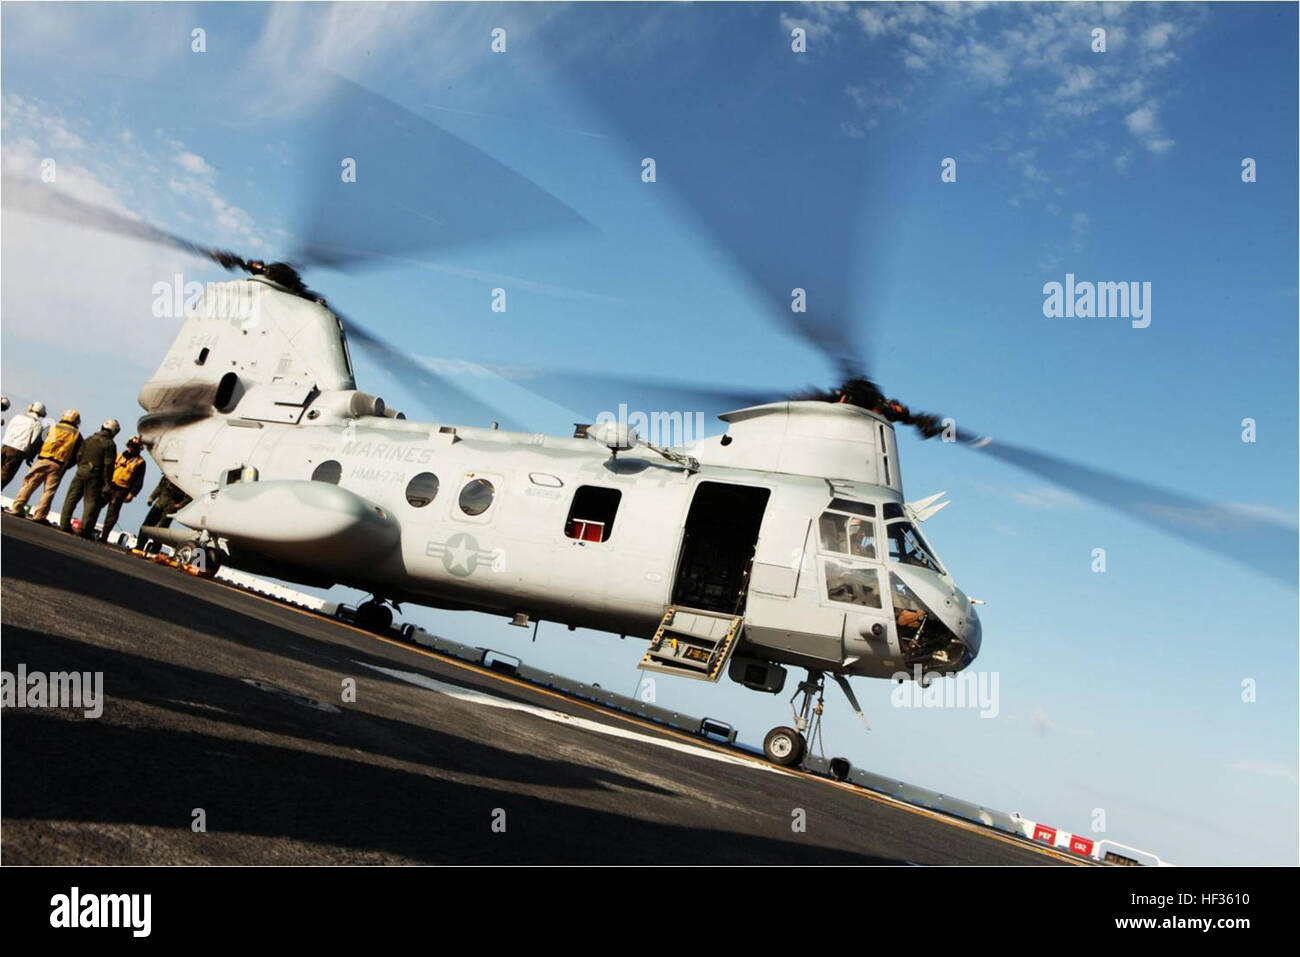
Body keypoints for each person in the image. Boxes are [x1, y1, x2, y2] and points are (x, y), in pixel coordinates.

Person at [9, 409, 82, 521]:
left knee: (29, 484)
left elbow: (38, 442)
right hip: (58, 465)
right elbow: (77, 455)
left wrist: (30, 456)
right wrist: (66, 467)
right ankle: (40, 515)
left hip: (42, 460)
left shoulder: (51, 427)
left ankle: (17, 508)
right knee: (49, 491)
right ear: (76, 420)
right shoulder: (77, 435)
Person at [59, 418, 118, 537]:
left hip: (81, 471)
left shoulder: (90, 439)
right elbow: (108, 465)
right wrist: (107, 482)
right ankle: (84, 530)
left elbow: (79, 456)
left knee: (71, 498)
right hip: (95, 475)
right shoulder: (109, 444)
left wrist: (82, 467)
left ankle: (64, 524)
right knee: (91, 503)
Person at [99, 435, 147, 542]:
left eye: (135, 446)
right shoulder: (118, 455)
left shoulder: (140, 462)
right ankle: (87, 529)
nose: (132, 448)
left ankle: (104, 537)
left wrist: (132, 494)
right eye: (131, 445)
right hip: (109, 485)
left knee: (112, 515)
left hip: (122, 490)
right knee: (96, 506)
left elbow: (139, 481)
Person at [137, 476, 191, 553]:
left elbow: (190, 495)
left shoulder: (187, 479)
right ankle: (139, 546)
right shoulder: (169, 474)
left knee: (162, 529)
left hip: (171, 507)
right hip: (160, 503)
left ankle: (154, 550)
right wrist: (152, 498)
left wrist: (180, 505)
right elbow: (160, 487)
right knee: (147, 524)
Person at [2, 400, 47, 489]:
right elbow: (33, 442)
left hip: (5, 445)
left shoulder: (17, 416)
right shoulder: (37, 424)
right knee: (6, 474)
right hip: (18, 450)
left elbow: (8, 430)